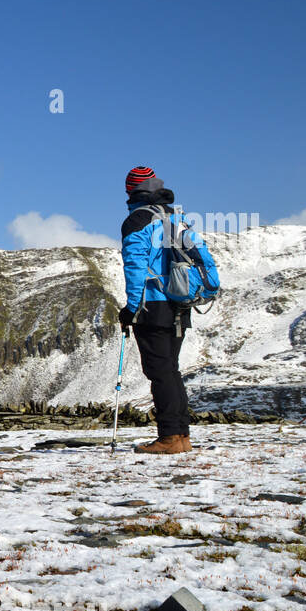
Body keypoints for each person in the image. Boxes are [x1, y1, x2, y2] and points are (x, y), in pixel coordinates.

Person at [119, 166, 195, 454]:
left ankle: (169, 438)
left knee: (159, 372)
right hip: (180, 301)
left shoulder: (138, 220)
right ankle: (181, 436)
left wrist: (132, 309)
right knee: (171, 370)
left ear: (131, 191)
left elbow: (135, 266)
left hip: (153, 304)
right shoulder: (176, 217)